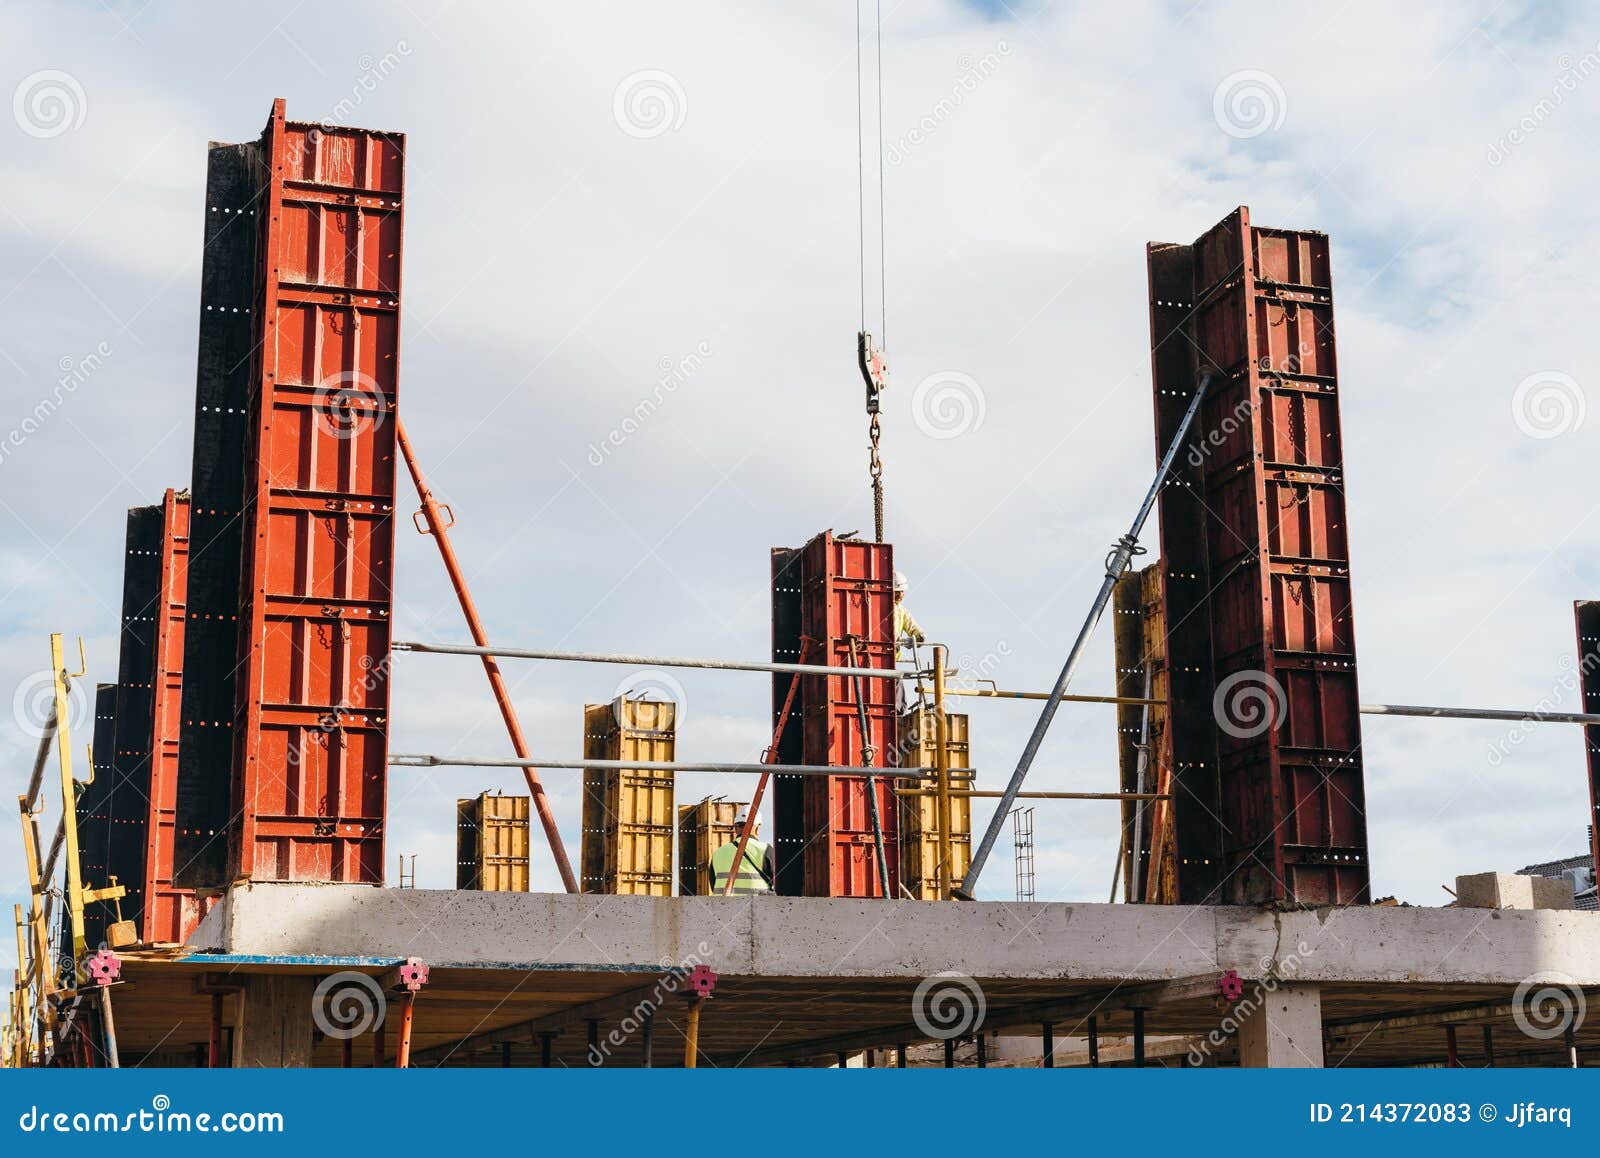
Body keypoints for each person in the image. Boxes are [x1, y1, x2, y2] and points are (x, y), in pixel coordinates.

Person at [710, 808, 773, 894]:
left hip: (723, 906)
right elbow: (780, 883)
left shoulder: (718, 853)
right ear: (757, 827)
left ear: (736, 829)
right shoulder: (765, 849)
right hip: (756, 906)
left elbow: (714, 885)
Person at [893, 570, 924, 654]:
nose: (900, 595)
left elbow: (912, 626)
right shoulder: (880, 609)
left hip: (893, 659)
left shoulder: (901, 610)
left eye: (902, 591)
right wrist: (901, 641)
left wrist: (919, 636)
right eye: (897, 591)